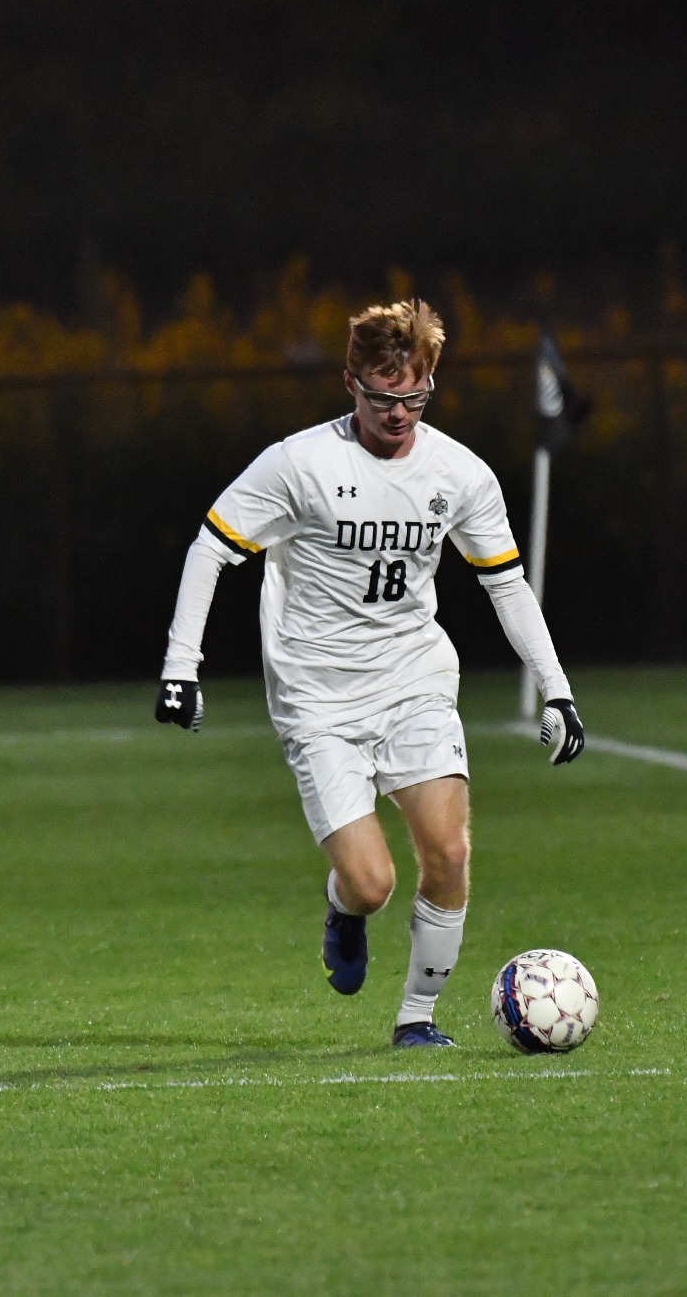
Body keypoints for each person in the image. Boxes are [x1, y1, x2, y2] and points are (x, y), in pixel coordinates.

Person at [154, 300, 583, 1048]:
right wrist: (179, 666)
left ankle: (417, 1019)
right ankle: (345, 908)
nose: (398, 412)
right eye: (383, 396)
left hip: (413, 677)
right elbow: (210, 547)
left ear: (430, 384)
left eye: (414, 396)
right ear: (349, 382)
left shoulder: (458, 472)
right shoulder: (300, 465)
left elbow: (506, 583)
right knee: (372, 881)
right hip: (317, 697)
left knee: (448, 852)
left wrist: (558, 687)